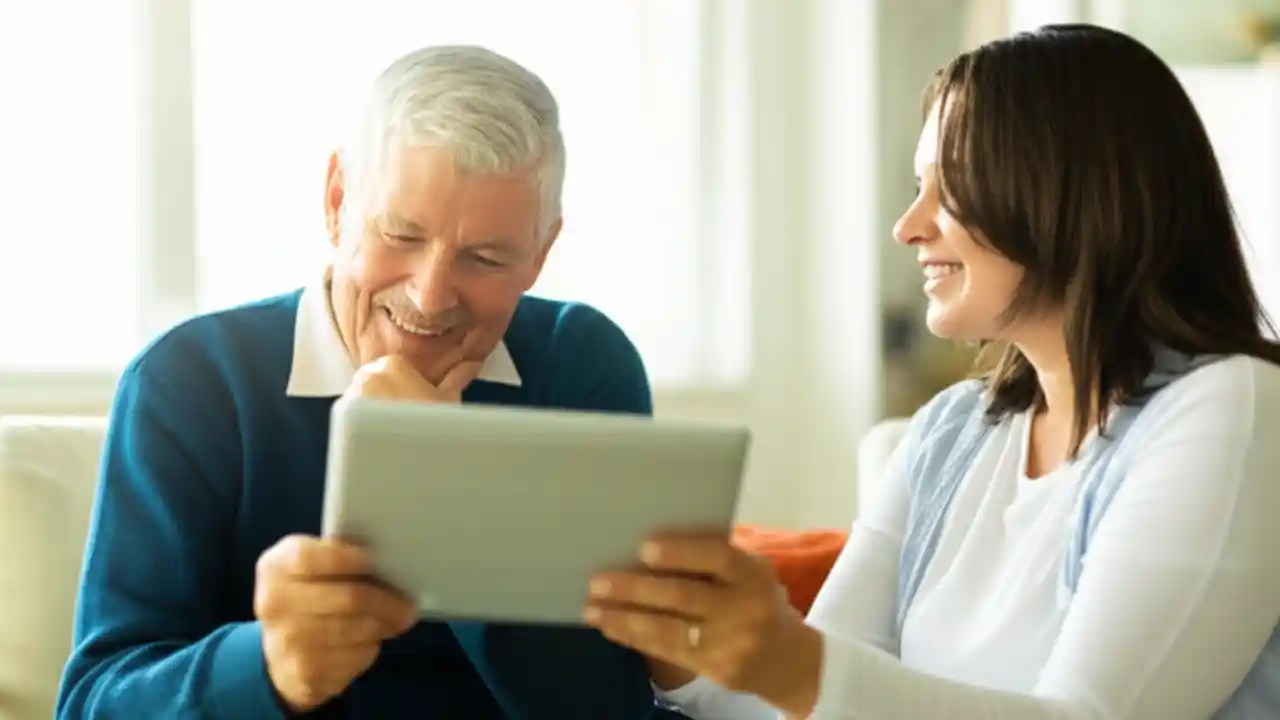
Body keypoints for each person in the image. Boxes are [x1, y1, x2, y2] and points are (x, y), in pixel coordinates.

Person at [583, 24, 1280, 719]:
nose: (909, 226)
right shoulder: (950, 431)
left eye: (952, 186)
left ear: (1075, 193)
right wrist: (680, 649)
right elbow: (811, 701)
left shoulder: (1232, 408)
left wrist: (789, 663)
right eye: (920, 186)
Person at [57, 45, 658, 719]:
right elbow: (92, 704)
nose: (430, 297)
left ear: (540, 254)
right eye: (400, 234)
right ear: (338, 202)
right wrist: (267, 668)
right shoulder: (193, 382)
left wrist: (446, 493)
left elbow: (611, 707)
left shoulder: (581, 365)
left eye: (485, 258)